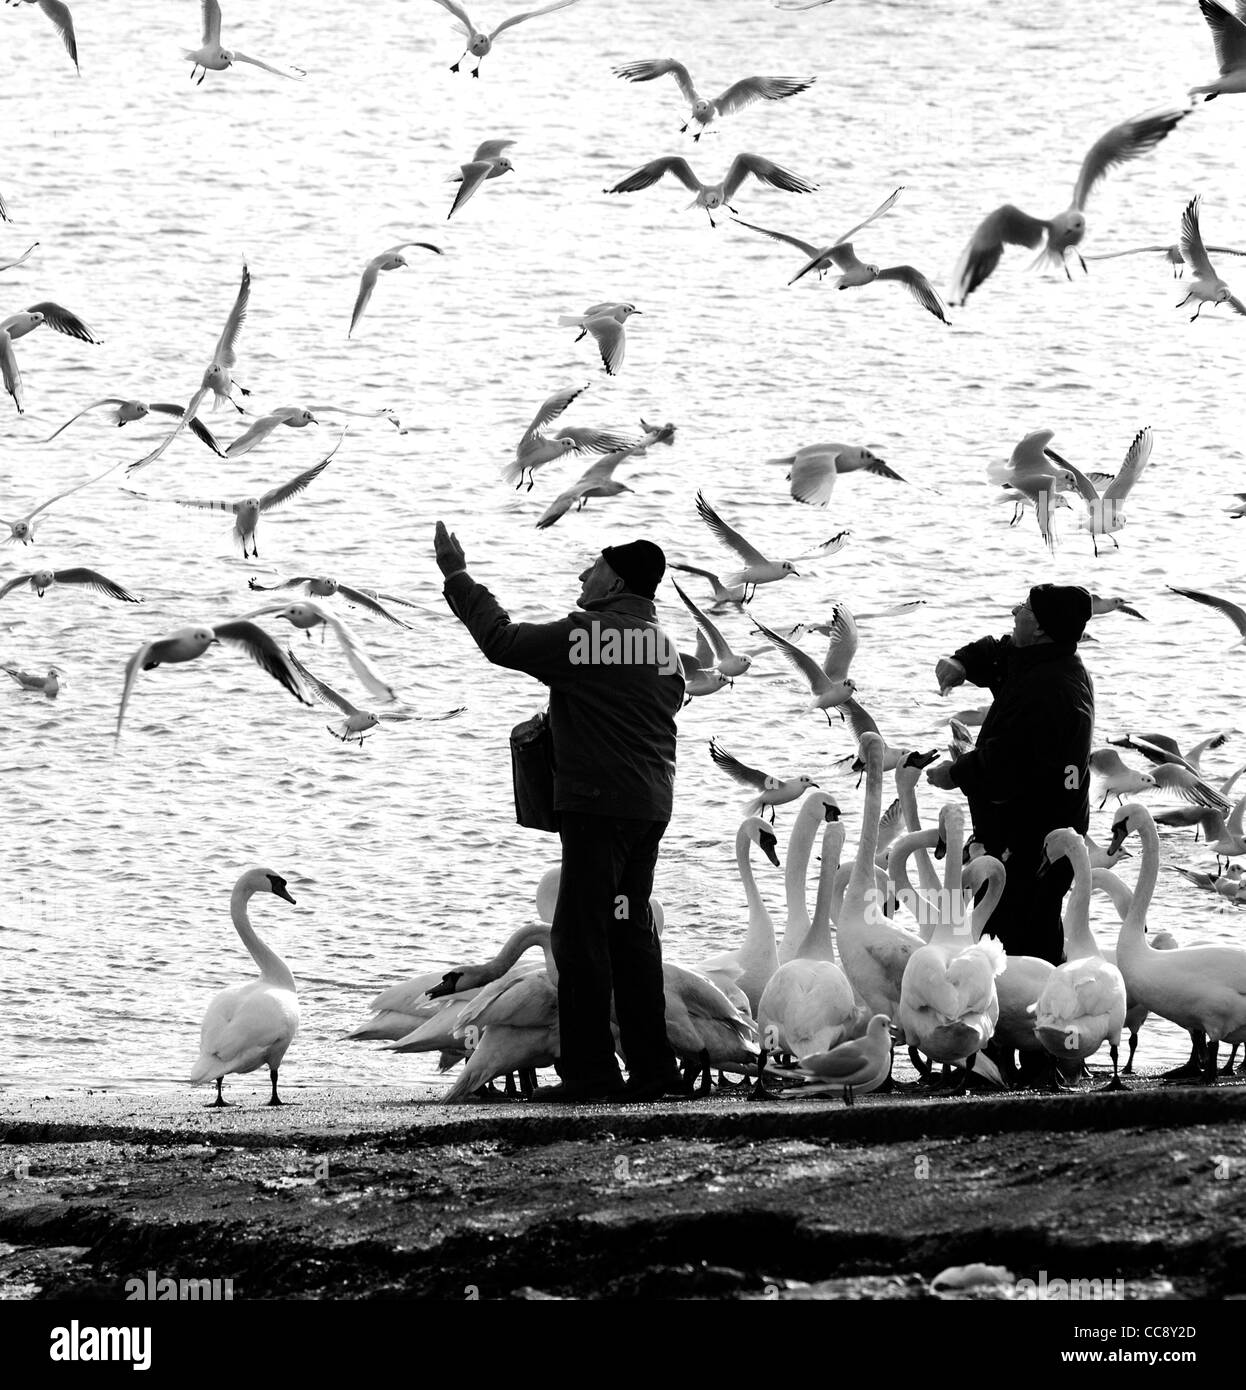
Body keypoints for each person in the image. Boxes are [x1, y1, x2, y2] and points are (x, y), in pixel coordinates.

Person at [433, 520, 685, 1103]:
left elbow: (502, 640)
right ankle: (655, 1073)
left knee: (578, 938)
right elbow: (649, 708)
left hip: (596, 811)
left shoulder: (584, 636)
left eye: (592, 567)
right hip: (649, 809)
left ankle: (592, 1074)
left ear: (615, 579)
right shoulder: (666, 648)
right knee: (630, 929)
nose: (581, 574)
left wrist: (457, 575)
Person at [925, 584, 1095, 967]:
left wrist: (954, 772)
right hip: (1026, 838)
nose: (1014, 612)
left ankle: (1024, 1020)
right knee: (1010, 945)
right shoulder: (1046, 660)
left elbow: (1004, 768)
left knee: (1014, 953)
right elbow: (999, 653)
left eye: (1024, 608)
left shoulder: (1052, 691)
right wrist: (962, 663)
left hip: (1035, 847)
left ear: (1039, 629)